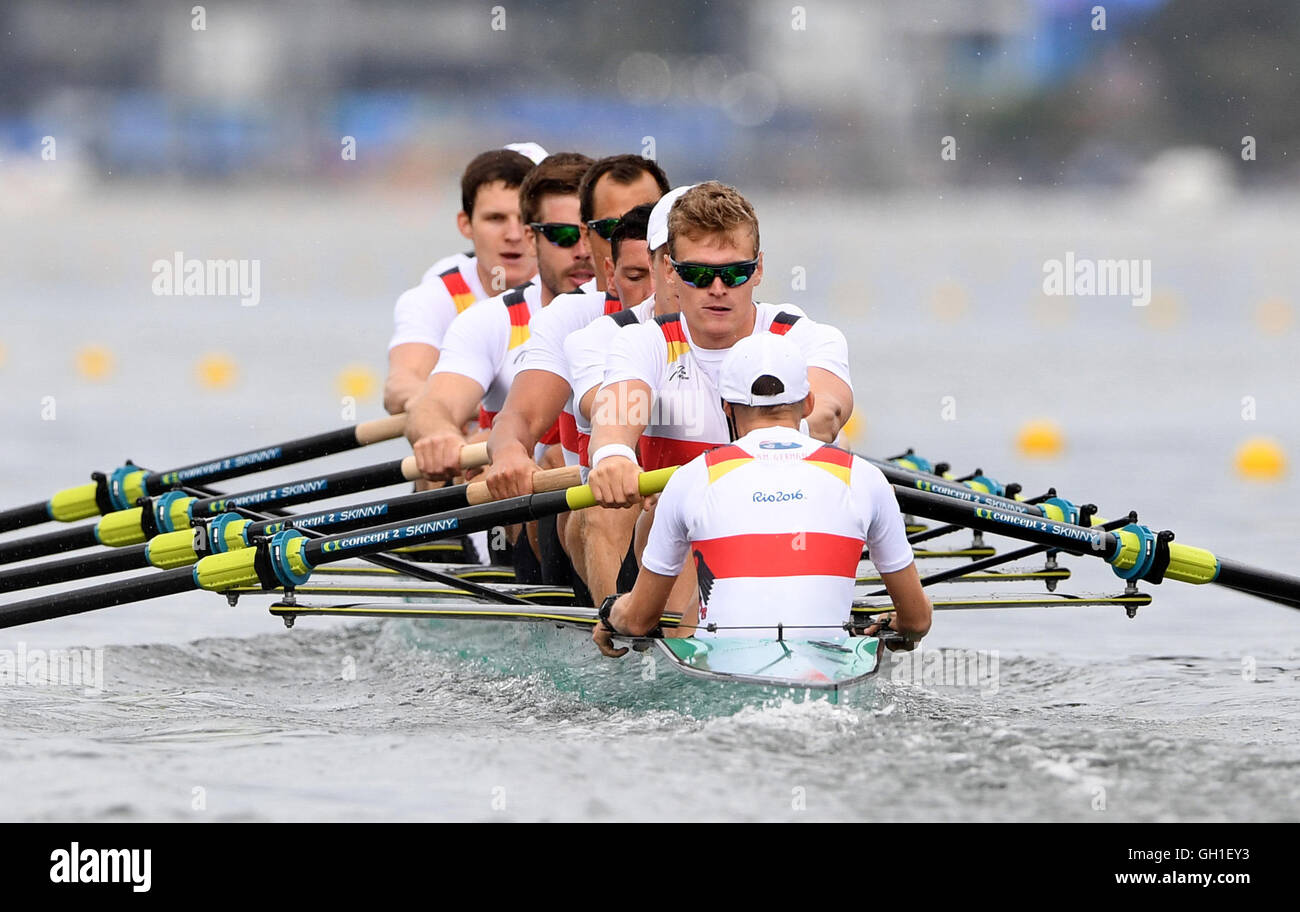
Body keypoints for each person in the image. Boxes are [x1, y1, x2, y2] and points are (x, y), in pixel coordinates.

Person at [585, 181, 855, 614]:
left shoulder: (802, 336)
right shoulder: (644, 343)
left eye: (733, 272)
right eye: (696, 273)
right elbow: (618, 409)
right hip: (675, 540)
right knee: (685, 513)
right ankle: (680, 640)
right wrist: (614, 455)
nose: (716, 287)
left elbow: (826, 411)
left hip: (787, 527)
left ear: (759, 269)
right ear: (671, 271)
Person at [592, 333, 931, 657]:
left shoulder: (691, 479)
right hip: (831, 680)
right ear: (809, 402)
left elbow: (638, 620)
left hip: (725, 677)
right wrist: (895, 625)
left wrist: (610, 613)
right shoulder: (864, 477)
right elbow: (918, 621)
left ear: (727, 407)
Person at [404, 152, 594, 481]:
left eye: (592, 233)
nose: (582, 251)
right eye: (563, 236)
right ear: (533, 239)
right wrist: (441, 435)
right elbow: (434, 405)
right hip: (520, 504)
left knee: (557, 457)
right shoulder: (491, 319)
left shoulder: (653, 314)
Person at [383, 146, 542, 415]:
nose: (513, 234)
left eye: (525, 219)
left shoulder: (575, 290)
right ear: (465, 224)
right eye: (496, 218)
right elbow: (401, 385)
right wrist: (441, 410)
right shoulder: (438, 295)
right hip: (469, 444)